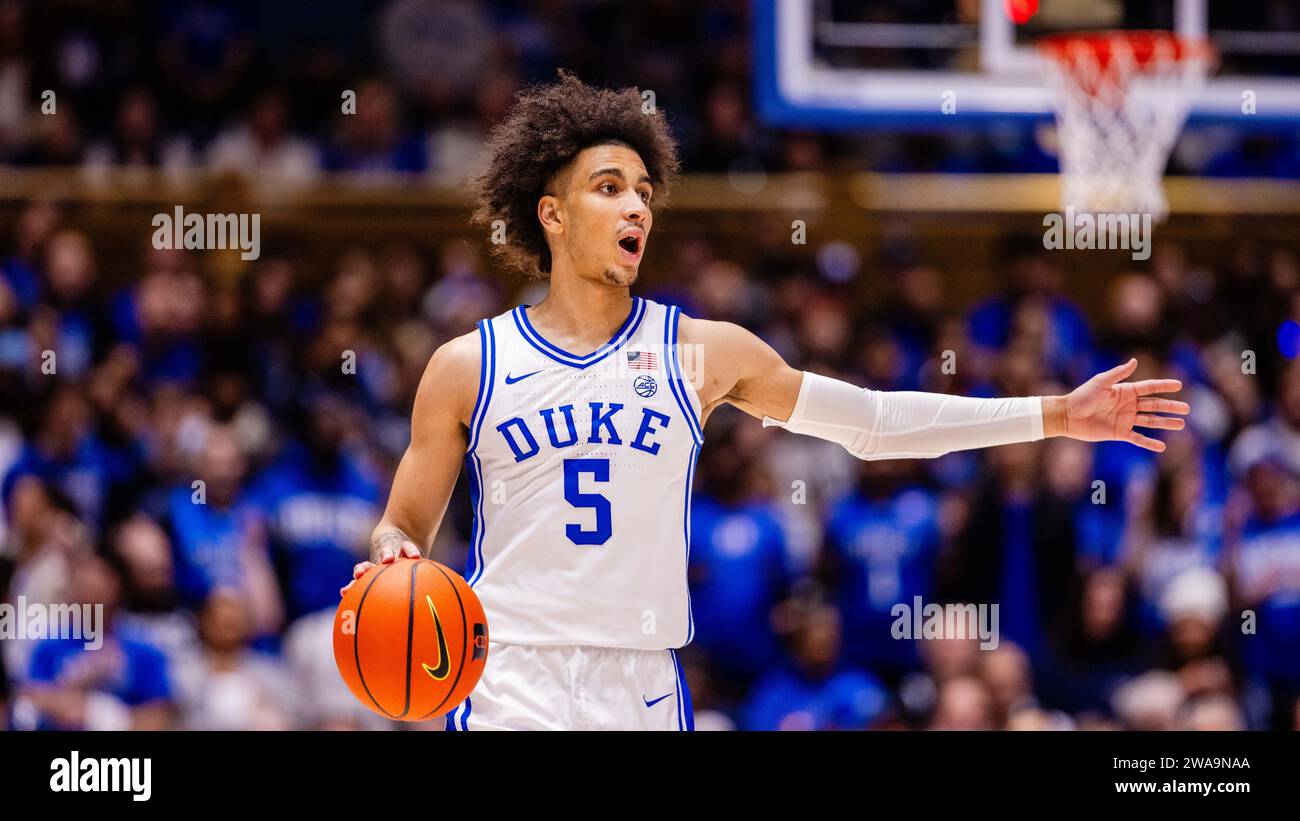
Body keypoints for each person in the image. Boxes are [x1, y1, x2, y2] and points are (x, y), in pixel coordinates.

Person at [341, 71, 1190, 731]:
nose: (636, 202)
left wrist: (1052, 414)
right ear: (552, 214)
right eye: (609, 186)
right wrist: (389, 555)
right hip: (509, 677)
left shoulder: (702, 352)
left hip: (638, 680)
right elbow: (403, 526)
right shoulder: (467, 363)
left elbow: (872, 424)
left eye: (644, 188)